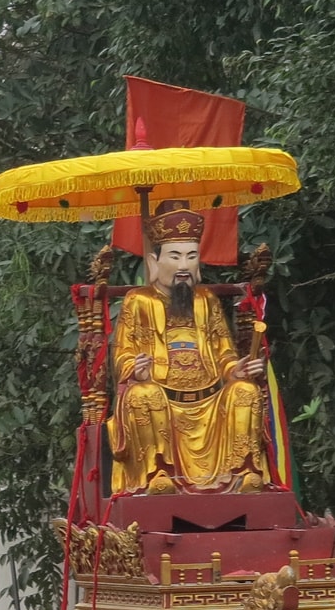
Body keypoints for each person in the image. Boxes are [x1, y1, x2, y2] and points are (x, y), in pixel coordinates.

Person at [109, 202, 269, 492]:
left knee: (245, 391)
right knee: (142, 395)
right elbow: (122, 355)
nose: (183, 266)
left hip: (210, 403)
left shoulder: (205, 300)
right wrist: (137, 369)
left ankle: (242, 473)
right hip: (163, 402)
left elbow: (224, 354)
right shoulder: (139, 301)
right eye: (175, 256)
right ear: (154, 262)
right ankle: (157, 475)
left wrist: (238, 369)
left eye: (191, 257)